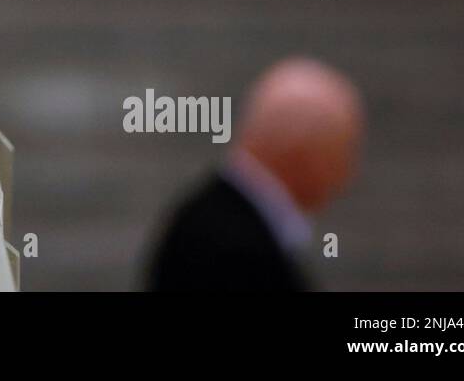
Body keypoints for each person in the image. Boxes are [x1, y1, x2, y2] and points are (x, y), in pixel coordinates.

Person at [146, 57, 364, 290]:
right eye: (339, 156)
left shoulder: (210, 221)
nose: (345, 177)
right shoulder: (234, 250)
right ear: (302, 154)